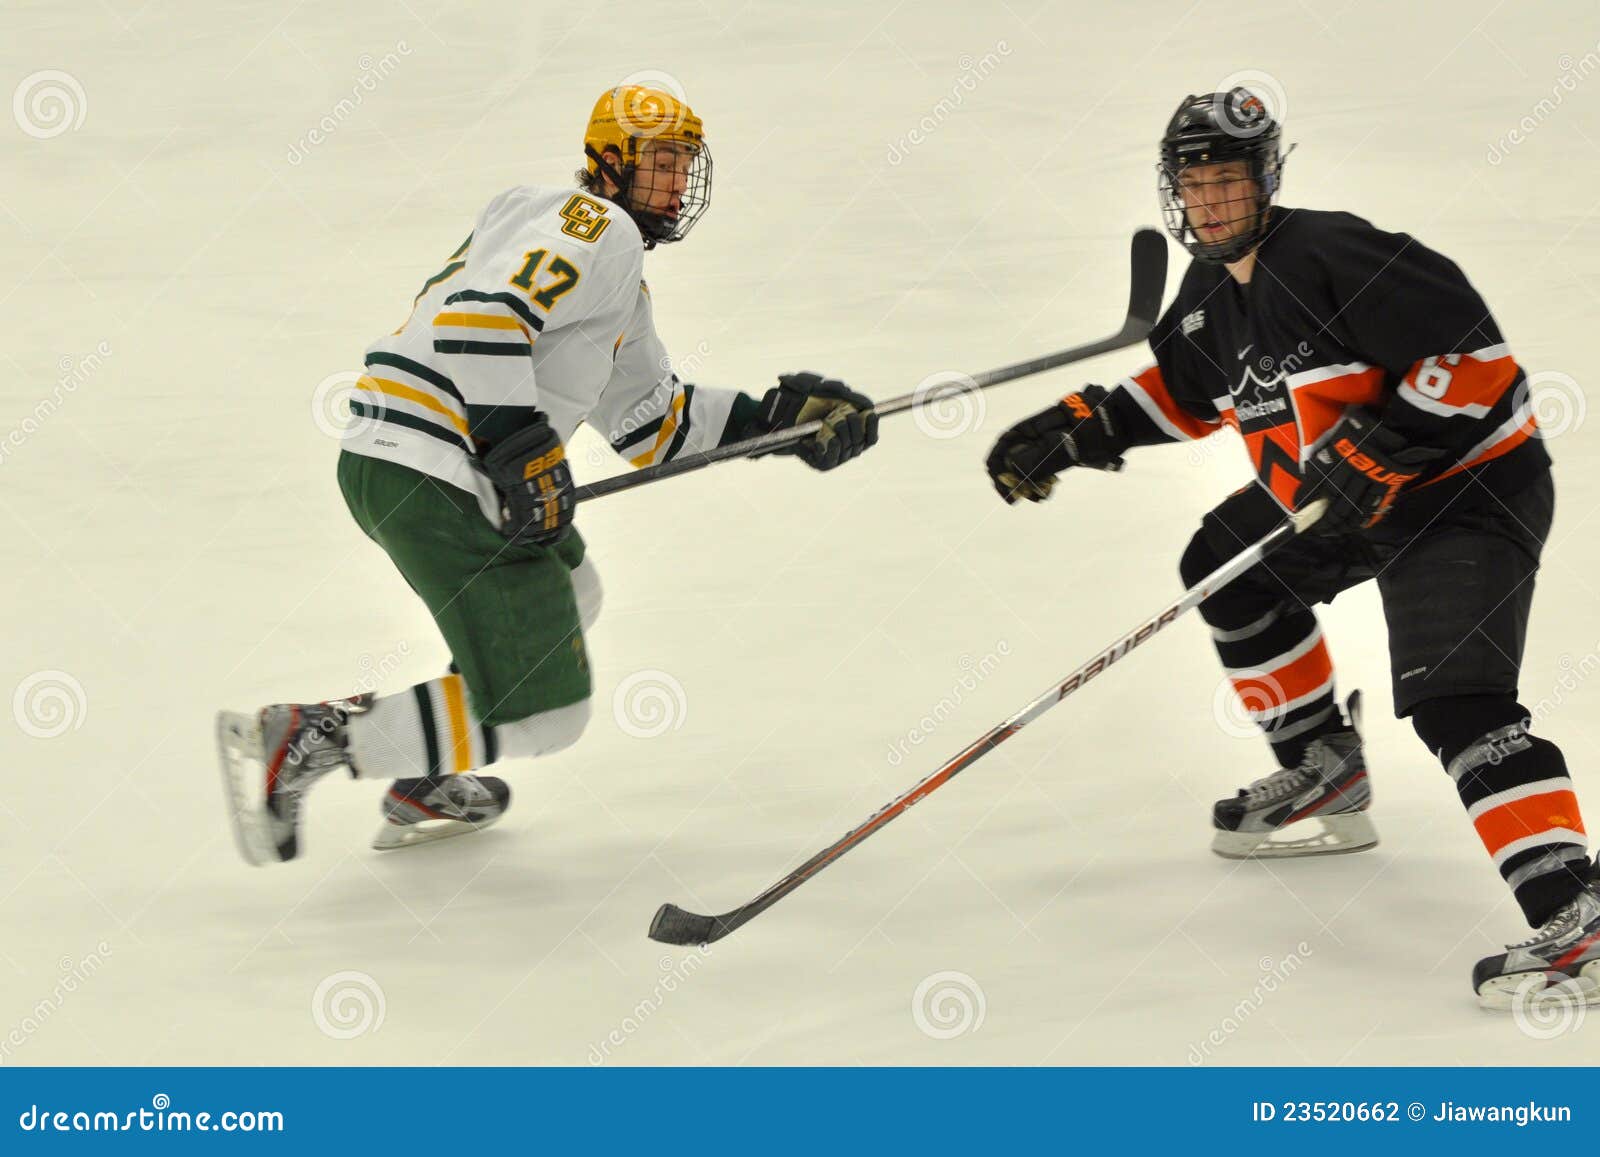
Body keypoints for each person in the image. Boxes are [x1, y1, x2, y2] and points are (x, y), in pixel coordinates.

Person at [983, 88, 1598, 1007]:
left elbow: (1476, 361)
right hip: (1332, 508)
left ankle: (1577, 910)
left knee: (1456, 700)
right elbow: (1187, 395)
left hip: (1461, 495)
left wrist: (1385, 445)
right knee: (1225, 573)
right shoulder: (1205, 299)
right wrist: (1081, 429)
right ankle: (1325, 767)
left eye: (1230, 182)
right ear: (1173, 194)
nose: (1213, 203)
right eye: (1196, 187)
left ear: (1266, 179)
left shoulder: (1336, 252)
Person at [217, 84, 878, 861]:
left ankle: (427, 761)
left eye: (683, 165)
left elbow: (650, 426)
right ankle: (309, 739)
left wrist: (773, 421)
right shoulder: (601, 230)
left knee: (574, 591)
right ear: (608, 162)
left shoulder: (578, 247)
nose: (675, 182)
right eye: (660, 161)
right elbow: (480, 320)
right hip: (443, 470)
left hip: (397, 461)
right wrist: (518, 444)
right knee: (547, 716)